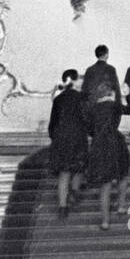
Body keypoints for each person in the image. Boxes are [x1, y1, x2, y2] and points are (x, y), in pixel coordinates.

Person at [86, 84, 130, 231]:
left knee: (105, 185)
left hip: (99, 145)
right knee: (122, 175)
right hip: (116, 142)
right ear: (111, 93)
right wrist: (126, 96)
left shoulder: (91, 108)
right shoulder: (115, 105)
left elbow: (90, 129)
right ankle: (121, 206)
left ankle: (105, 221)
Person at [48, 69, 89, 219]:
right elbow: (87, 119)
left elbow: (52, 124)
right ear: (74, 80)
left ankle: (62, 207)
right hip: (78, 137)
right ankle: (74, 192)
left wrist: (56, 139)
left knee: (64, 173)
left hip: (61, 138)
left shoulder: (59, 99)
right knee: (79, 168)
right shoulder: (83, 98)